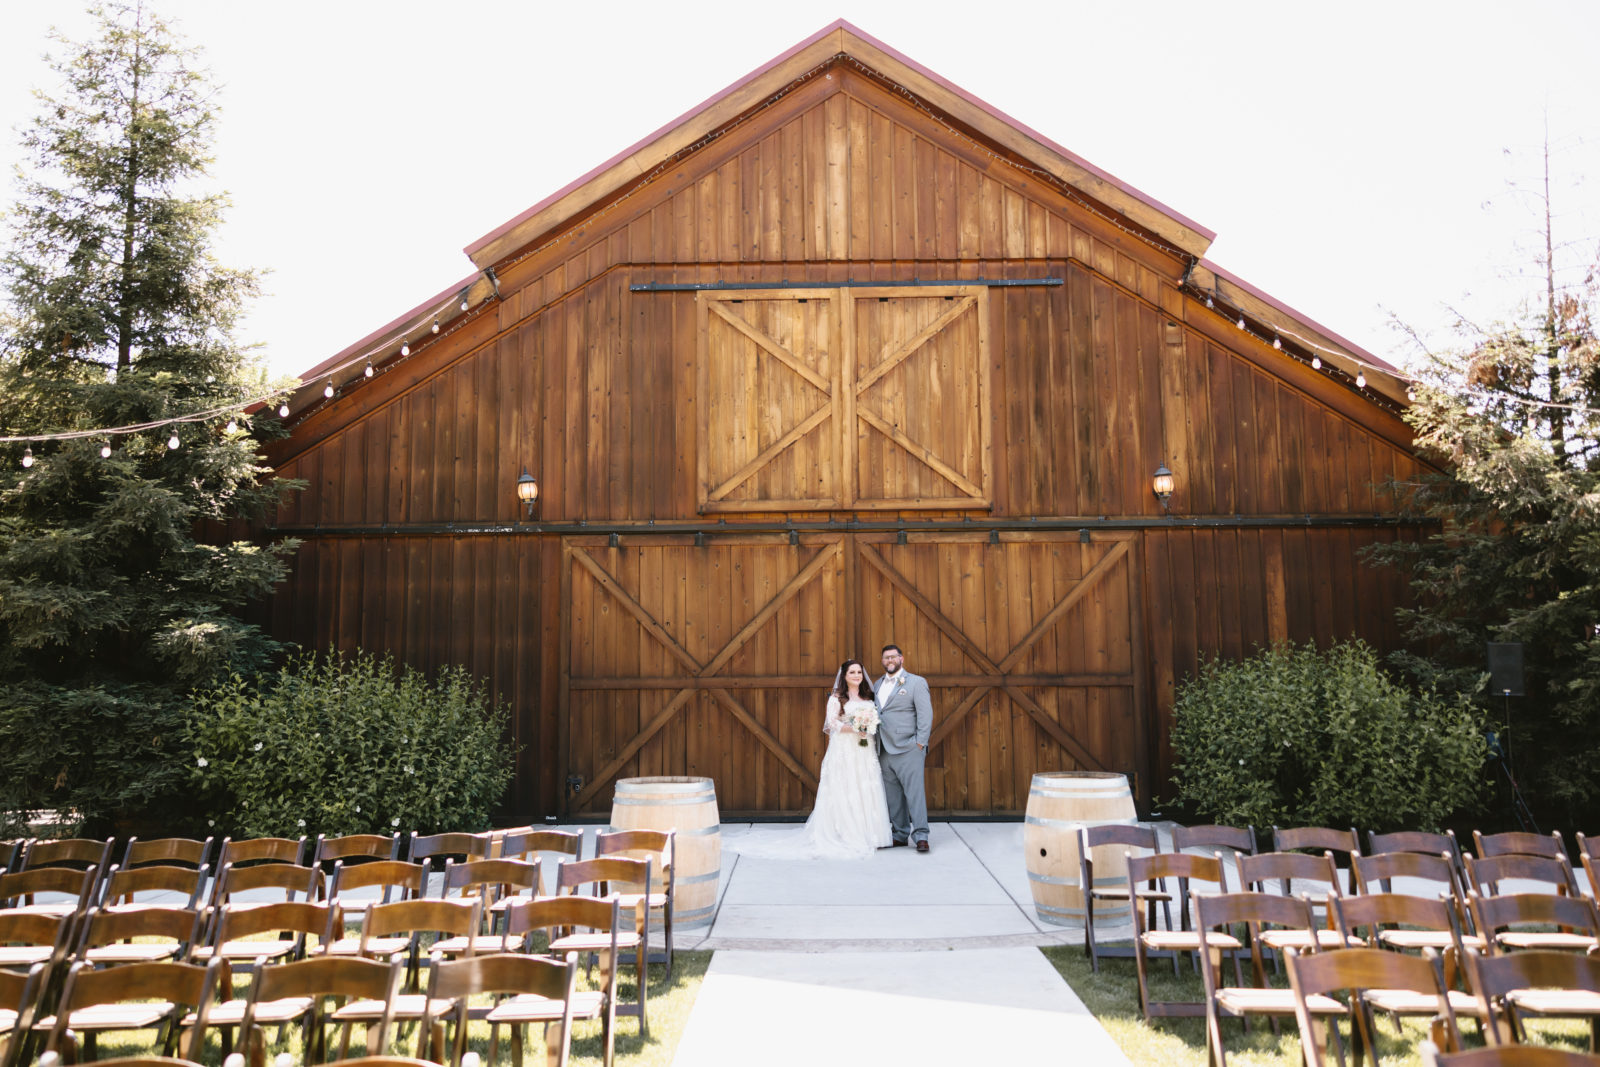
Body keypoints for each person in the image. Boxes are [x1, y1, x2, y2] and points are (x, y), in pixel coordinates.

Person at [790, 659, 893, 858]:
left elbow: (875, 719)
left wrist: (868, 727)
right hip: (845, 749)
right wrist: (856, 727)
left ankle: (871, 834)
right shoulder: (837, 697)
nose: (856, 675)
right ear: (844, 677)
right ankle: (843, 832)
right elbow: (832, 724)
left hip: (864, 749)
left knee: (866, 784)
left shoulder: (869, 696)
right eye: (852, 672)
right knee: (846, 785)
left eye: (859, 672)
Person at [875, 643, 932, 852]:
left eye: (893, 657)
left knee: (914, 793)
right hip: (883, 749)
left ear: (901, 659)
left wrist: (920, 743)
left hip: (908, 747)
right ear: (882, 662)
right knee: (893, 796)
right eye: (886, 658)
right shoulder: (877, 684)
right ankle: (899, 834)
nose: (889, 661)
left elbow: (925, 714)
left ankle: (921, 835)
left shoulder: (916, 682)